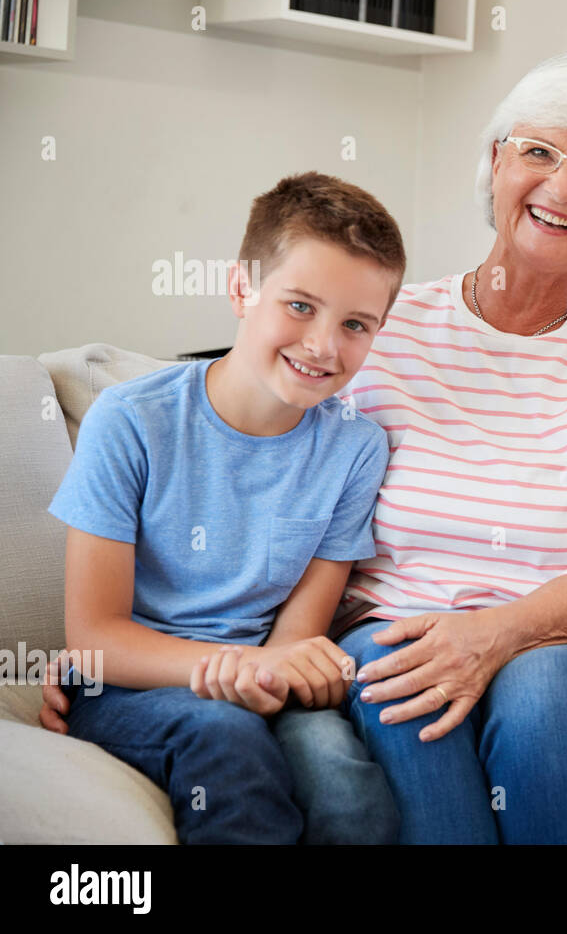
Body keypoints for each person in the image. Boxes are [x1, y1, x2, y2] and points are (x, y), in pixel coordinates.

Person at [325, 52, 567, 843]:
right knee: (400, 692)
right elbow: (281, 479)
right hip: (393, 623)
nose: (562, 189)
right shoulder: (387, 324)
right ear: (496, 161)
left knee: (546, 707)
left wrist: (494, 634)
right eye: (538, 153)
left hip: (548, 639)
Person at [44, 172, 406, 843]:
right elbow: (93, 639)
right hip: (135, 684)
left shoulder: (356, 450)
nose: (324, 345)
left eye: (355, 324)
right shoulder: (130, 421)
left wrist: (284, 669)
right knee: (227, 744)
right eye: (300, 306)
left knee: (345, 782)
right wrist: (239, 671)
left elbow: (298, 639)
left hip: (264, 674)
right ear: (242, 288)